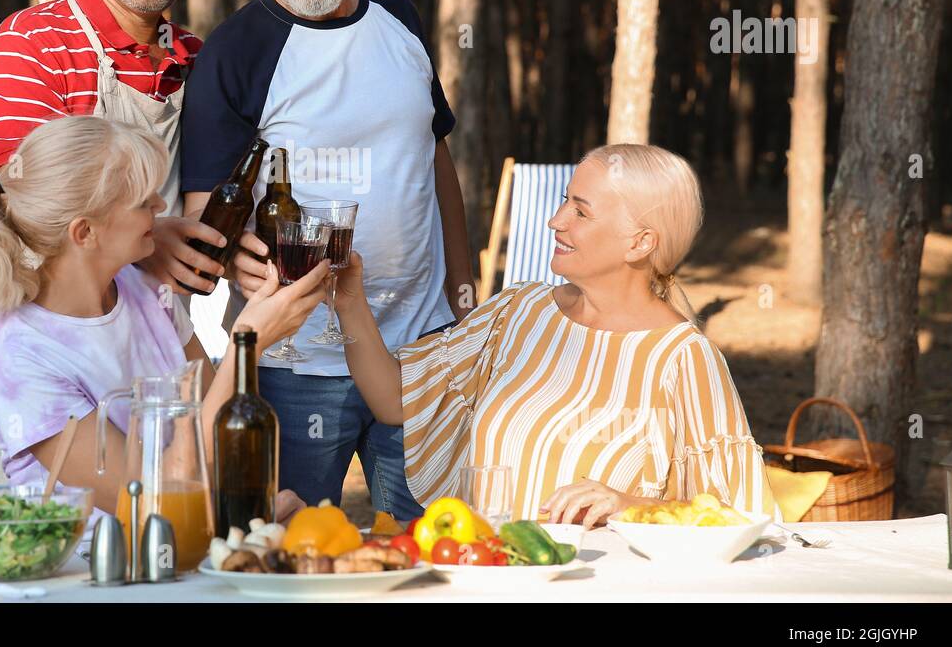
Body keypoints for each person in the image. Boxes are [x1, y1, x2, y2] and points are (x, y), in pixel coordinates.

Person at [0, 0, 400, 487]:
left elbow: (226, 185)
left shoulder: (197, 58)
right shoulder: (31, 44)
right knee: (28, 561)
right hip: (39, 366)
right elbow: (33, 202)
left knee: (160, 536)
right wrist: (150, 242)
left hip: (152, 355)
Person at [180, 0, 474, 520]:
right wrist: (235, 258)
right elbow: (206, 214)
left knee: (432, 549)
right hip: (294, 364)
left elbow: (435, 158)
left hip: (421, 348)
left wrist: (462, 295)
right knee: (289, 554)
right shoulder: (236, 51)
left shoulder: (399, 16)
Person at [333, 143, 781, 527]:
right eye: (566, 200)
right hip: (489, 583)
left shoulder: (683, 358)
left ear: (640, 243)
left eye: (581, 211)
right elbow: (394, 399)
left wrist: (629, 506)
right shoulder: (519, 311)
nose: (556, 220)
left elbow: (738, 518)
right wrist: (349, 300)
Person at [0, 114, 329, 521]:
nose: (161, 207)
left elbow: (218, 434)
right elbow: (150, 501)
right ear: (85, 232)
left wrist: (251, 515)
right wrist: (247, 343)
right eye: (143, 202)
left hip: (190, 550)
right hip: (95, 572)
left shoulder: (141, 289)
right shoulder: (17, 356)